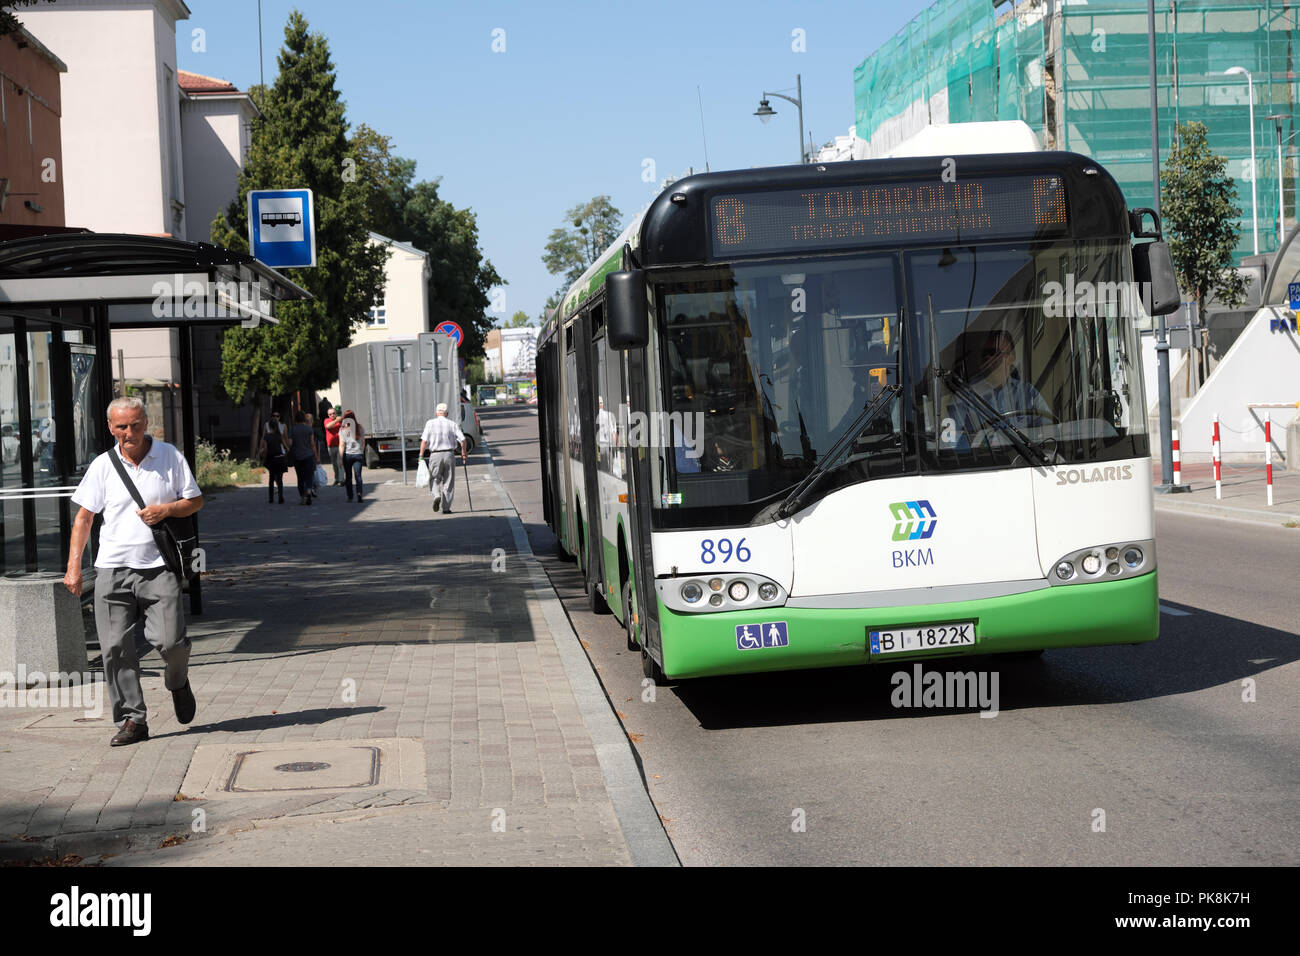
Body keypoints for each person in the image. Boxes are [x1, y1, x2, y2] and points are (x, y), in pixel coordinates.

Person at [62, 395, 203, 747]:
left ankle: (177, 681)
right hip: (112, 568)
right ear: (111, 428)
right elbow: (84, 517)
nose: (130, 432)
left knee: (171, 642)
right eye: (122, 426)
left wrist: (167, 509)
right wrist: (73, 567)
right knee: (115, 649)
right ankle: (132, 719)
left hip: (159, 567)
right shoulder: (102, 465)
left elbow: (195, 500)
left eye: (136, 425)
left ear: (146, 422)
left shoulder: (169, 455)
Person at [949, 329, 1053, 440]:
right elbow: (951, 440)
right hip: (983, 456)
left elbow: (1049, 430)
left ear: (1011, 358)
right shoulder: (965, 397)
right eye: (984, 354)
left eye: (994, 352)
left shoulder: (1028, 392)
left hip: (1025, 456)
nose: (988, 358)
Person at [418, 401, 466, 514]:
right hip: (449, 454)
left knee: (434, 478)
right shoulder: (452, 424)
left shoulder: (430, 423)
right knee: (448, 481)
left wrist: (421, 455)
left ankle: (436, 495)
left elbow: (424, 441)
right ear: (447, 413)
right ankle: (446, 508)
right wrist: (463, 453)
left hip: (435, 455)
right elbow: (463, 440)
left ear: (436, 413)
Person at [287, 410, 317, 505]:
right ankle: (308, 491)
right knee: (308, 476)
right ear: (304, 418)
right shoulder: (309, 429)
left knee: (300, 477)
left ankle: (302, 497)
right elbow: (312, 444)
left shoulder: (292, 429)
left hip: (297, 456)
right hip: (308, 455)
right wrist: (315, 455)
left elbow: (290, 443)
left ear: (295, 419)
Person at [259, 418, 288, 504]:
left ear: (269, 426)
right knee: (279, 479)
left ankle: (271, 498)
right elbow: (285, 447)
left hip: (271, 459)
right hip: (279, 458)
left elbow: (266, 449)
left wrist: (263, 456)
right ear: (276, 426)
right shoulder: (279, 435)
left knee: (271, 478)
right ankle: (280, 497)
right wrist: (286, 453)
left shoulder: (266, 436)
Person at [339, 409, 365, 502]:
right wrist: (361, 451)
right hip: (358, 454)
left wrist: (341, 458)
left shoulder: (342, 430)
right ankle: (359, 494)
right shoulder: (360, 428)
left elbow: (342, 445)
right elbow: (363, 442)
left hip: (348, 455)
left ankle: (350, 497)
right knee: (358, 476)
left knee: (348, 477)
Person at [324, 405, 342, 485]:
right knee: (334, 464)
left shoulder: (340, 420)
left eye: (333, 413)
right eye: (330, 414)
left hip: (340, 446)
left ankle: (342, 480)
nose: (332, 415)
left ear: (336, 413)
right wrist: (336, 420)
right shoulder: (327, 420)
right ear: (328, 415)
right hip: (331, 446)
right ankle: (337, 478)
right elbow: (328, 426)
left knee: (339, 463)